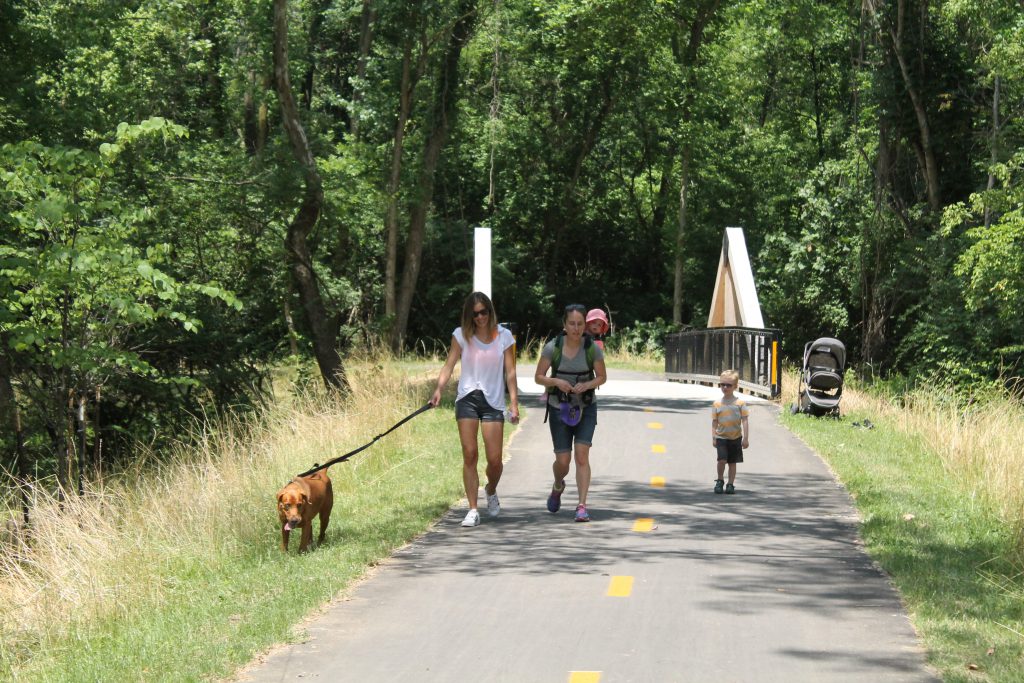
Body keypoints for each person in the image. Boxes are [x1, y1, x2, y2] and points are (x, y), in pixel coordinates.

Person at [430, 292, 519, 527]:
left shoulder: (504, 336)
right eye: (475, 313)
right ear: (469, 316)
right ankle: (472, 509)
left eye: (483, 312)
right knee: (470, 454)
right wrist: (439, 389)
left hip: (492, 402)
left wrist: (514, 403)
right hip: (467, 398)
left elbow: (510, 372)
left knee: (495, 460)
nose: (480, 317)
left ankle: (490, 489)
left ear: (490, 311)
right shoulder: (461, 335)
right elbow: (449, 364)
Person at [534, 304, 607, 522]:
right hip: (560, 407)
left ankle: (582, 505)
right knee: (563, 461)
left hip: (586, 407)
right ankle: (558, 485)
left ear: (585, 325)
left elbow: (602, 377)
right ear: (564, 325)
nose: (576, 328)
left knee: (582, 456)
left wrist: (587, 385)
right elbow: (538, 376)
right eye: (572, 324)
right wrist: (556, 381)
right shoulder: (552, 348)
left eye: (580, 324)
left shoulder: (592, 348)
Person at [711, 369, 750, 494]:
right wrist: (713, 437)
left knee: (732, 462)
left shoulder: (740, 404)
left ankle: (730, 484)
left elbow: (744, 421)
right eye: (723, 384)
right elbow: (714, 422)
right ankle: (720, 480)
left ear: (735, 386)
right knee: (721, 460)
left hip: (735, 438)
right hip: (721, 437)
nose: (725, 387)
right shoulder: (717, 404)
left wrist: (745, 438)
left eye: (729, 385)